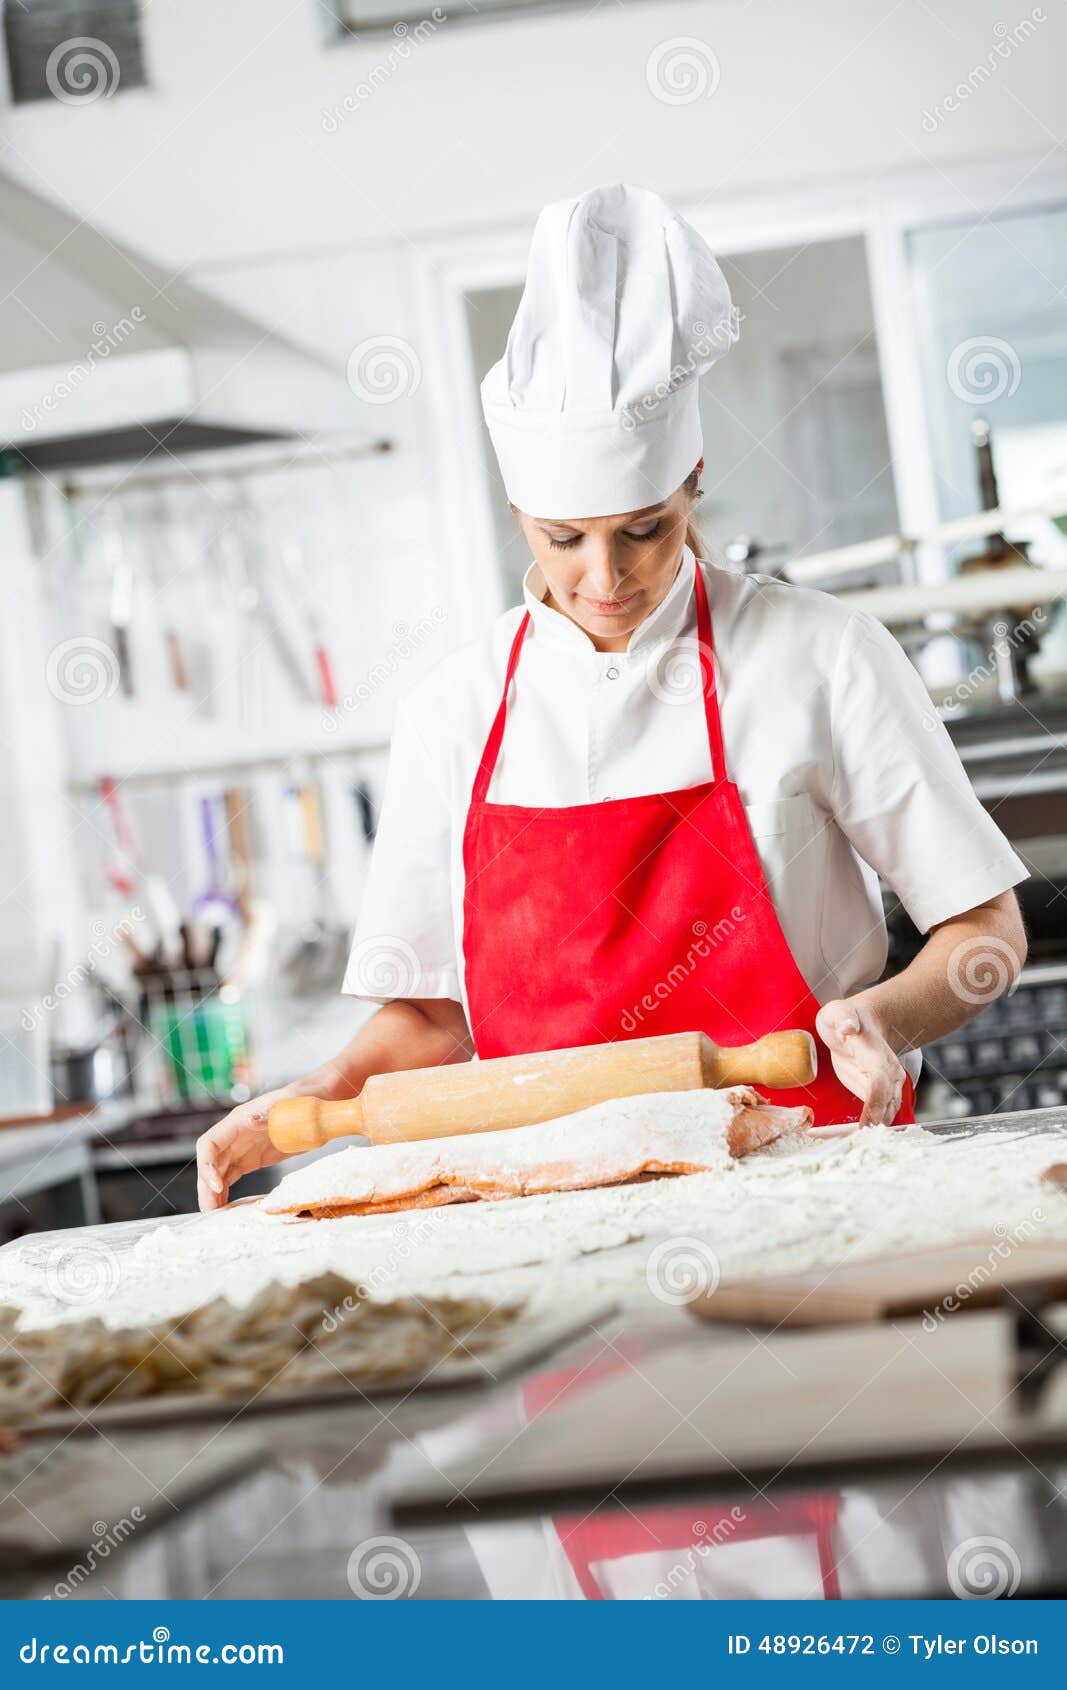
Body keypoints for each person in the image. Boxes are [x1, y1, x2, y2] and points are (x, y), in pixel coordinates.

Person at [197, 183, 1027, 1212]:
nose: (603, 576)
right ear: (517, 514)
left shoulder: (819, 655)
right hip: (545, 1219)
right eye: (561, 537)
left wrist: (884, 1017)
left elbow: (984, 929)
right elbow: (429, 1021)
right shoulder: (453, 712)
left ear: (691, 482)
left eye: (641, 528)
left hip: (815, 1187)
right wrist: (314, 1094)